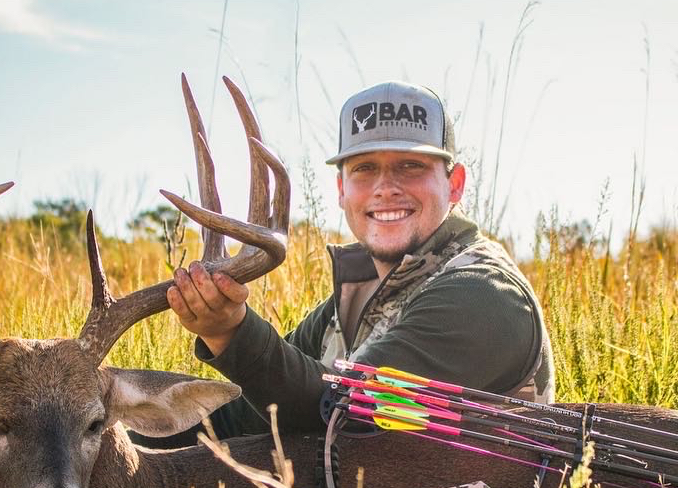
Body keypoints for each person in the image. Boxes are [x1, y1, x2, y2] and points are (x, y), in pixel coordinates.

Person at [157, 80, 554, 441]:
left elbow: (336, 410)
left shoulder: (484, 296)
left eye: (411, 166)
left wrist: (233, 332)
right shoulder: (354, 297)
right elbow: (252, 414)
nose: (386, 188)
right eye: (365, 169)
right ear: (341, 189)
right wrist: (129, 437)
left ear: (455, 184)